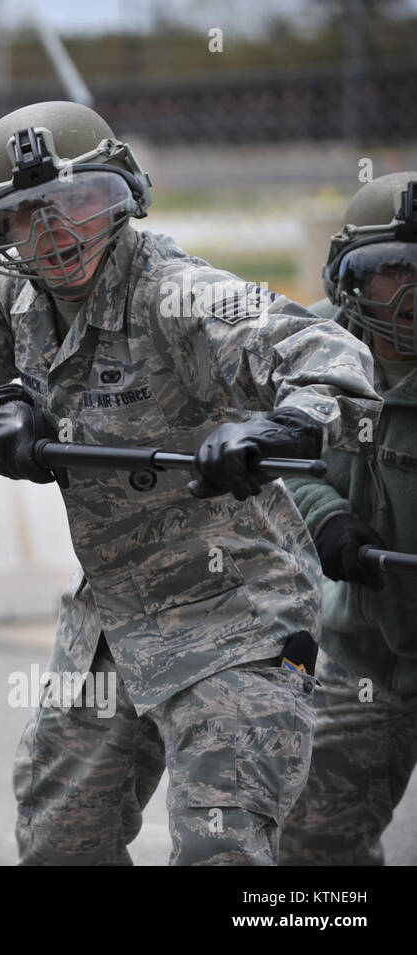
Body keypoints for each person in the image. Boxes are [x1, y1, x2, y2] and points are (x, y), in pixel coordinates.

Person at [0, 101, 382, 865]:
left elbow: (321, 350)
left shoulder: (177, 294)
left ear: (122, 198)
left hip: (237, 617)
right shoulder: (10, 299)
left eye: (78, 203)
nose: (57, 233)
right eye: (26, 216)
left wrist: (279, 426)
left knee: (220, 844)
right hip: (111, 621)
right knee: (62, 842)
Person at [279, 171, 417, 865]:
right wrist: (325, 517)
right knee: (307, 848)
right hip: (361, 650)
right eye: (391, 269)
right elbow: (271, 456)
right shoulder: (311, 351)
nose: (412, 292)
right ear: (350, 278)